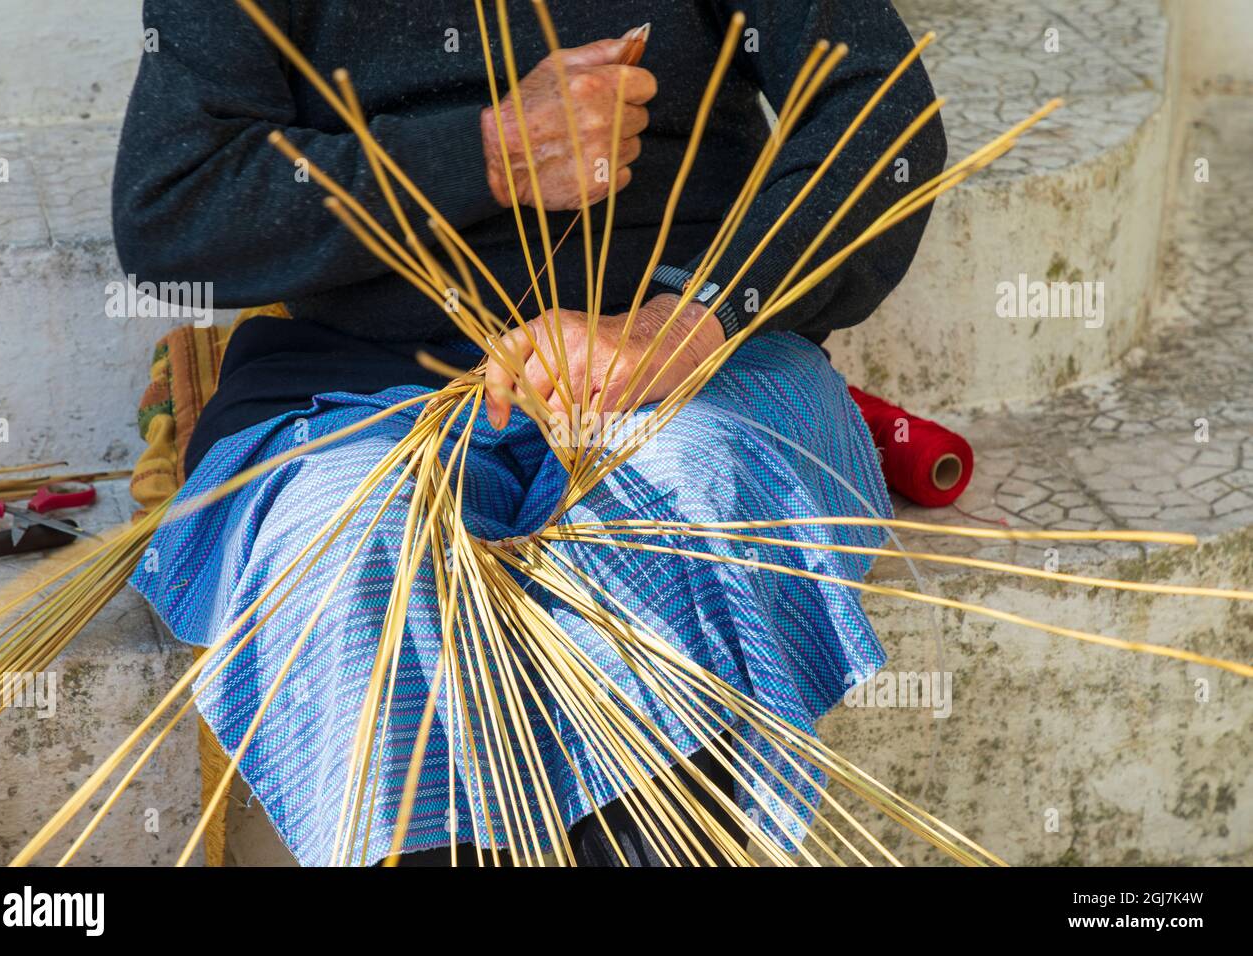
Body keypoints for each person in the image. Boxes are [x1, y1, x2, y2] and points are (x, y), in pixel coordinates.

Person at [118, 0, 946, 866]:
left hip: (686, 362)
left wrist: (694, 317)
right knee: (351, 550)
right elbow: (175, 211)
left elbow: (885, 117)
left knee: (687, 492)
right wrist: (484, 154)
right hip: (359, 384)